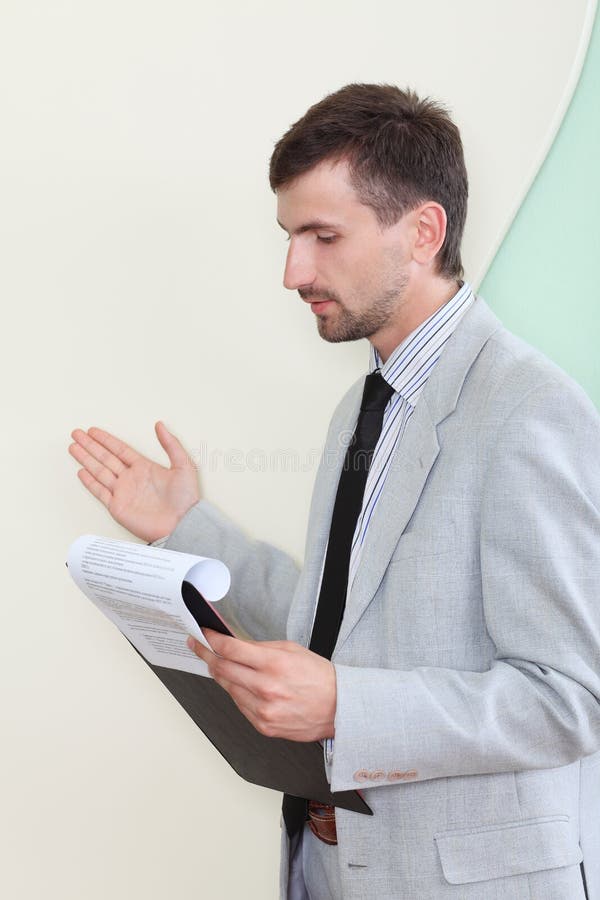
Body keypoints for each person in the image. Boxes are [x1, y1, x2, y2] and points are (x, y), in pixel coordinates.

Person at [69, 84, 600, 899]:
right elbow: (338, 630)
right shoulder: (366, 400)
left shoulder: (531, 412)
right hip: (329, 862)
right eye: (290, 236)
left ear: (424, 231)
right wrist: (185, 526)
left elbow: (571, 700)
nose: (293, 271)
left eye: (323, 236)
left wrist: (348, 705)